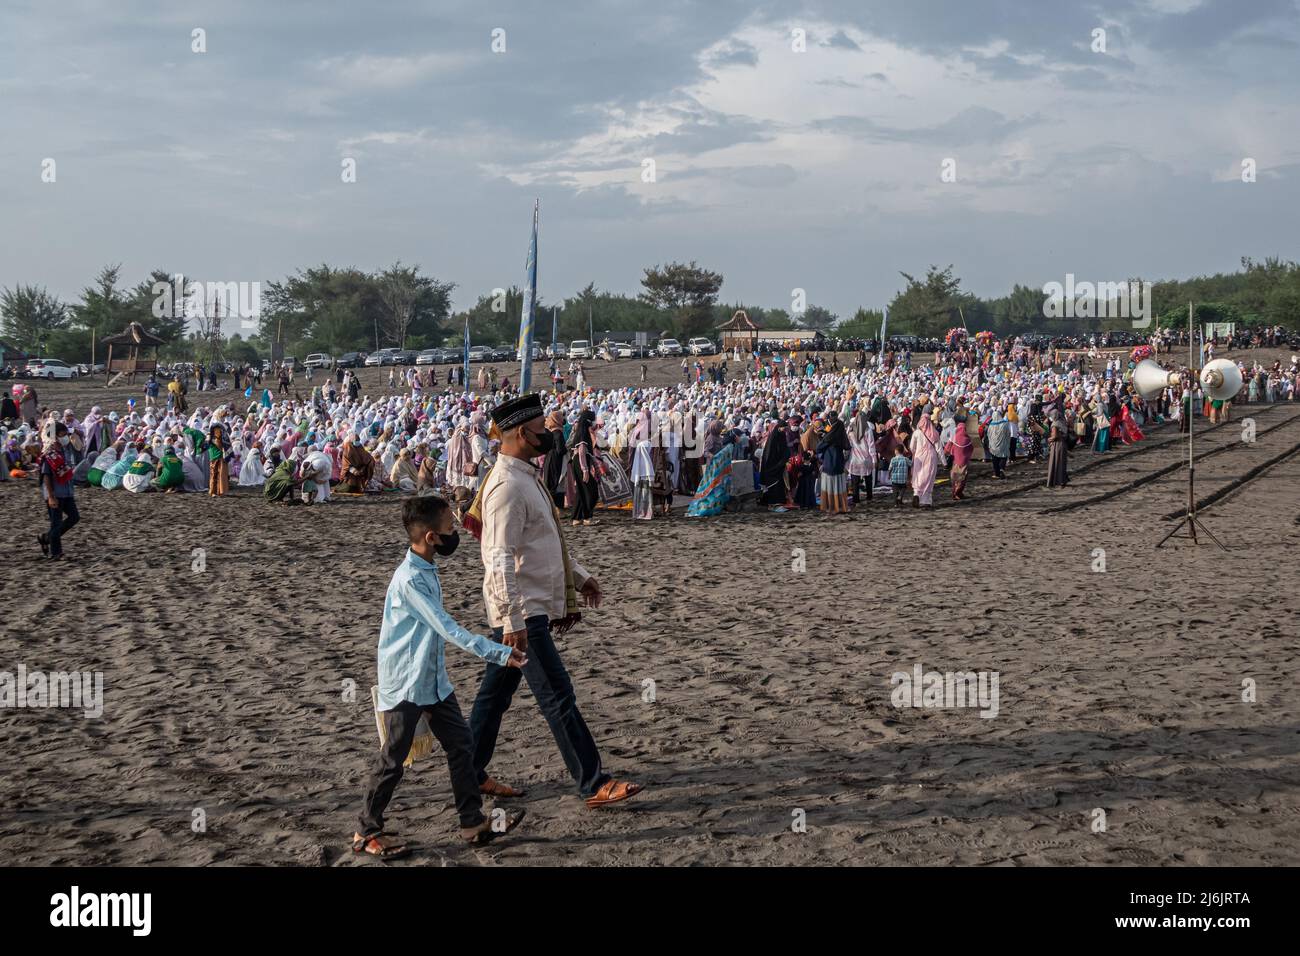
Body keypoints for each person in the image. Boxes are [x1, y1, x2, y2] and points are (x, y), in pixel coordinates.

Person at [467, 393, 642, 809]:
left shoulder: (525, 476)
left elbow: (546, 543)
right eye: (542, 429)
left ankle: (468, 772)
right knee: (557, 694)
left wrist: (580, 577)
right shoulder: (507, 487)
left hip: (525, 608)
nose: (549, 434)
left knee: (495, 696)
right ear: (519, 434)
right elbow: (498, 558)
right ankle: (592, 782)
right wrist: (513, 622)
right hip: (523, 611)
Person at [353, 496, 526, 859]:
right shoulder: (410, 580)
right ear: (431, 537)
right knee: (393, 758)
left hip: (431, 680)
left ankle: (471, 822)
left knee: (461, 745)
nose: (455, 531)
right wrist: (499, 653)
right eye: (450, 527)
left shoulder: (426, 570)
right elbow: (447, 629)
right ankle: (365, 832)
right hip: (406, 683)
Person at [37, 421, 80, 560]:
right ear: (55, 436)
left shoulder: (64, 450)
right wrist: (50, 496)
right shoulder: (49, 454)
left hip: (67, 491)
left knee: (74, 517)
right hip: (55, 493)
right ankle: (56, 552)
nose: (66, 436)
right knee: (56, 522)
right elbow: (46, 476)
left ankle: (47, 537)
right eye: (63, 434)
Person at [1046, 410, 1070, 488]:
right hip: (1063, 444)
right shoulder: (1062, 422)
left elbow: (1055, 436)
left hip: (1057, 445)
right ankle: (1062, 480)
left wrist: (1048, 439)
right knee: (1062, 463)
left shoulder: (1055, 424)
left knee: (1056, 462)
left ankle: (1057, 480)